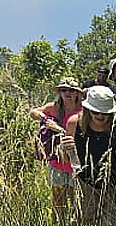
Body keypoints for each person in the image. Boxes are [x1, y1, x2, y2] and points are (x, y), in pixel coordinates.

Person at [62, 85, 116, 226]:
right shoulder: (74, 124)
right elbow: (67, 159)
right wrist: (65, 149)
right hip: (85, 185)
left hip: (115, 186)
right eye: (96, 112)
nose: (100, 116)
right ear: (88, 109)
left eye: (105, 113)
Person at [30, 77, 84, 215]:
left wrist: (59, 129)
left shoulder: (83, 111)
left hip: (75, 163)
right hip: (56, 162)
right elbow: (34, 112)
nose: (68, 93)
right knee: (58, 202)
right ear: (59, 92)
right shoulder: (54, 108)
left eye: (71, 90)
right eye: (64, 90)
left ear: (77, 93)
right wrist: (46, 119)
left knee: (76, 203)